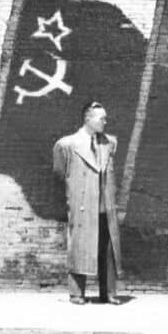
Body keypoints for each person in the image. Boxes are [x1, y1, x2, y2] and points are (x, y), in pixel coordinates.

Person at [53, 100, 123, 305]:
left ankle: (109, 292)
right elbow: (59, 173)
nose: (105, 122)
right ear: (88, 119)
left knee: (108, 249)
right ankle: (76, 293)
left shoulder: (110, 143)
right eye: (102, 118)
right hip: (83, 204)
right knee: (79, 246)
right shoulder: (66, 144)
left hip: (105, 205)